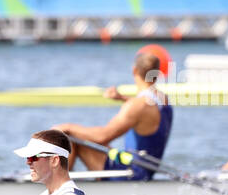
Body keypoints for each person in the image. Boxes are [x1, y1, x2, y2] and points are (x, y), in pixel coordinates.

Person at [55, 51, 173, 180]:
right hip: (145, 171)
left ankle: (59, 187)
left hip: (131, 174)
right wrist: (121, 97)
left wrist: (67, 127)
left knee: (69, 137)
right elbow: (145, 111)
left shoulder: (136, 106)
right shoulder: (162, 99)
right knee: (84, 137)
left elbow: (103, 136)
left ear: (134, 71)